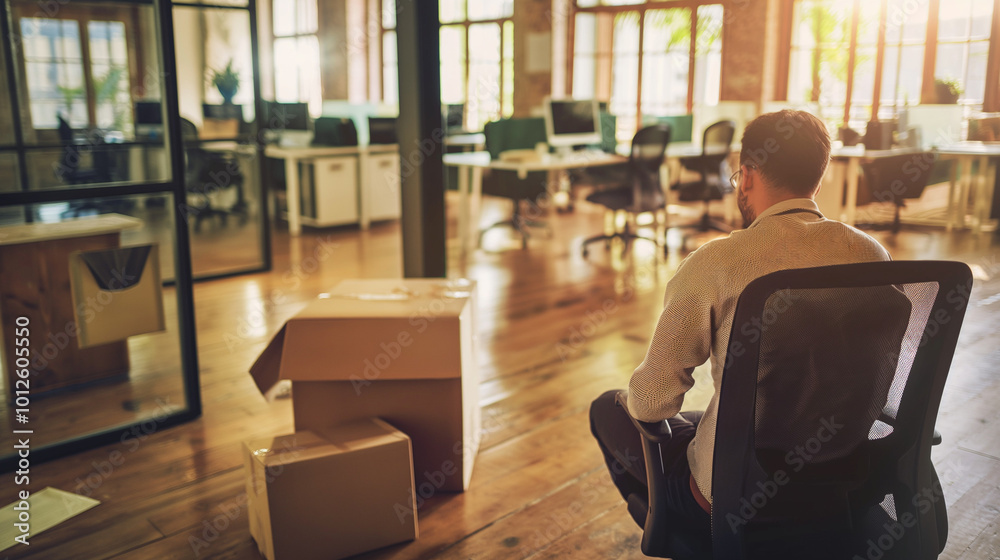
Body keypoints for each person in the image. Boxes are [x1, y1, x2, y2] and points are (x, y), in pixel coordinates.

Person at [589, 110, 894, 555]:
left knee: (606, 409)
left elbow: (652, 403)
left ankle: (688, 532)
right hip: (839, 484)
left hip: (733, 496)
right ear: (818, 178)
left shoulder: (716, 263)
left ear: (747, 176)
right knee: (701, 425)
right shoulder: (870, 254)